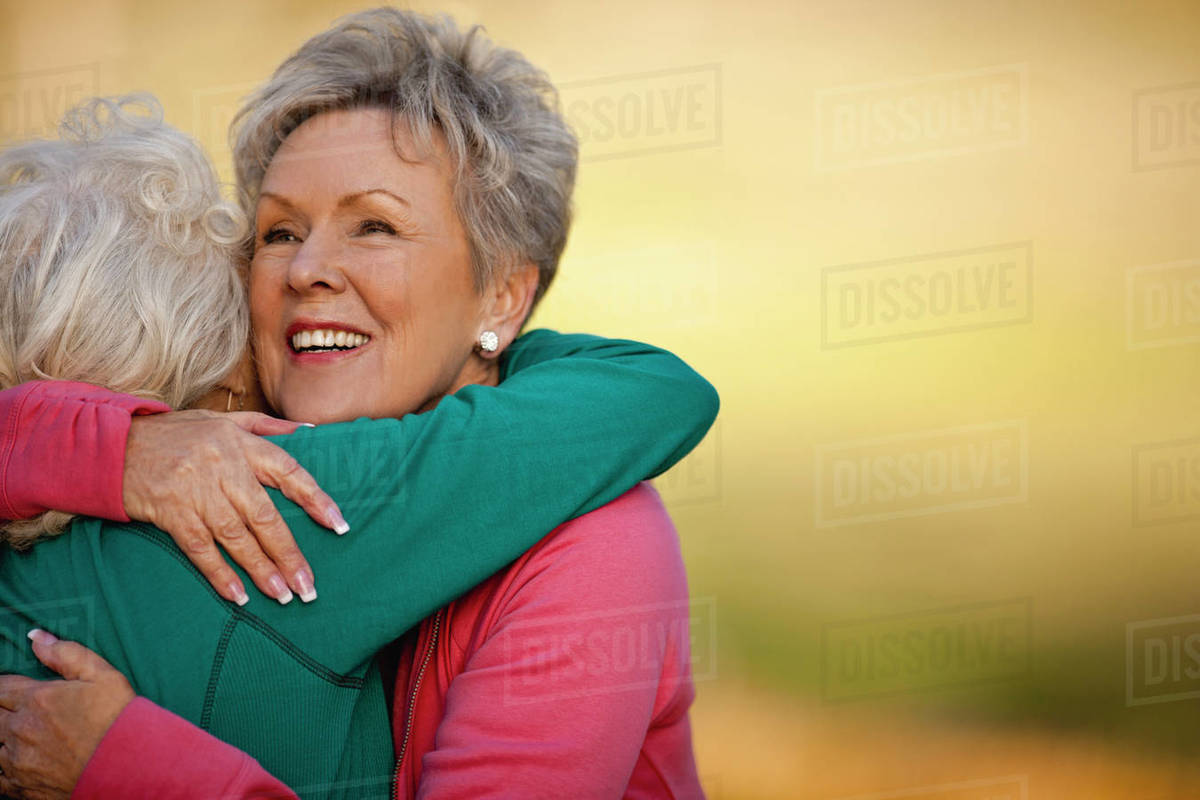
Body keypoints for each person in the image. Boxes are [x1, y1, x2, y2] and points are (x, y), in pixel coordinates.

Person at [0, 10, 713, 799]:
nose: (307, 269)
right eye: (277, 232)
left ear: (505, 294)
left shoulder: (598, 549)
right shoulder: (219, 453)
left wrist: (134, 769)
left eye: (374, 226)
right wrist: (116, 450)